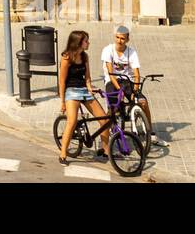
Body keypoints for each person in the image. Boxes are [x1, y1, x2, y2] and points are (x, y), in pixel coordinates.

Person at [102, 25, 166, 147]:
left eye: (122, 38)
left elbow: (136, 73)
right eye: (117, 38)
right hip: (112, 81)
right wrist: (119, 90)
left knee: (143, 102)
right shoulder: (108, 50)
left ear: (127, 39)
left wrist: (135, 91)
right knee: (114, 105)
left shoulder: (131, 52)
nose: (119, 41)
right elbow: (111, 74)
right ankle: (110, 128)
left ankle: (150, 132)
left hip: (128, 81)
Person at [58, 29, 108, 164]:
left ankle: (105, 150)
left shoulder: (85, 57)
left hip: (84, 90)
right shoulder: (66, 58)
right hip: (71, 91)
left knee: (104, 120)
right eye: (86, 41)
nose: (88, 43)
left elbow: (87, 78)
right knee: (72, 121)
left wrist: (90, 87)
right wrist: (62, 101)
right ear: (78, 43)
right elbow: (62, 81)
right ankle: (63, 152)